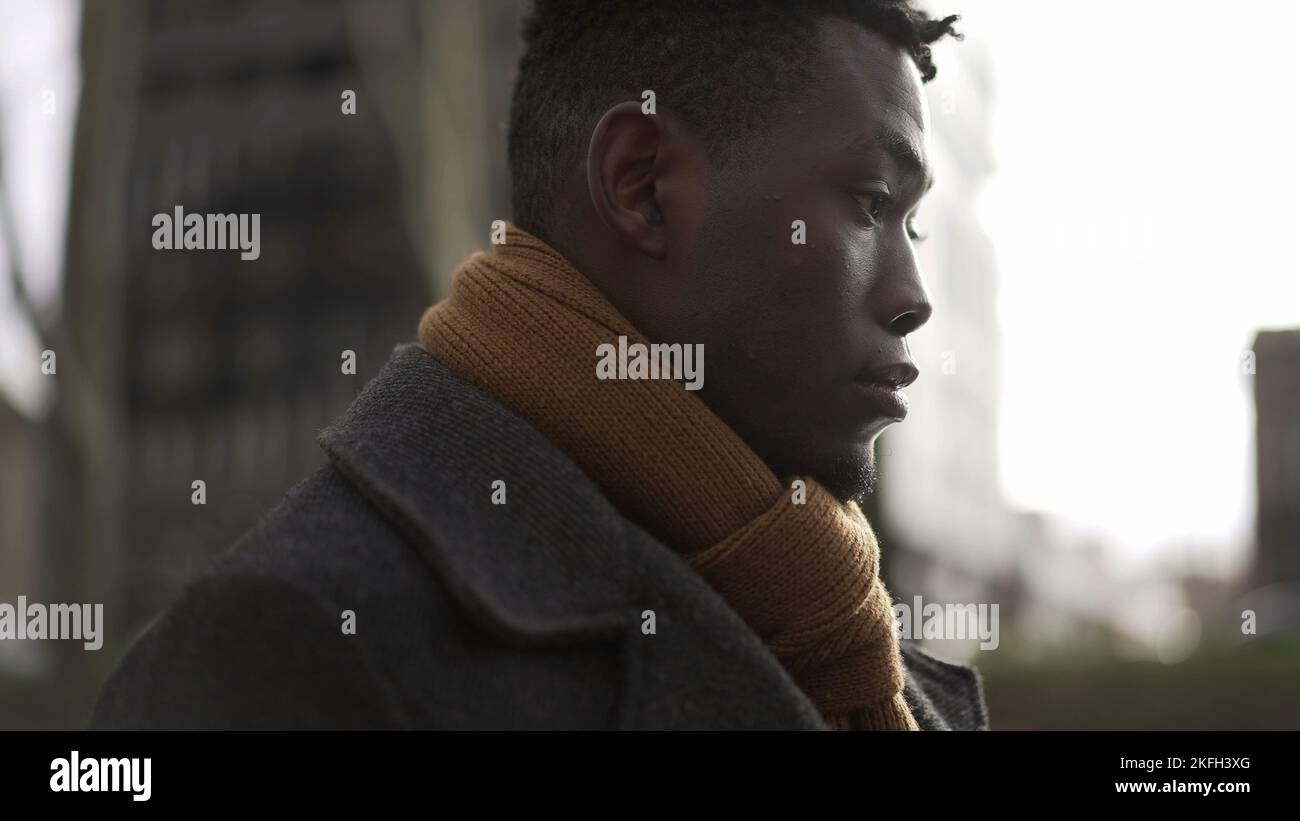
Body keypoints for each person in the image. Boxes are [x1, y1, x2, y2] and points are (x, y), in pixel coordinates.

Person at [92, 0, 988, 730]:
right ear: (641, 187)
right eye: (871, 202)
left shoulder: (846, 646)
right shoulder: (283, 651)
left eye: (911, 222)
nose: (914, 296)